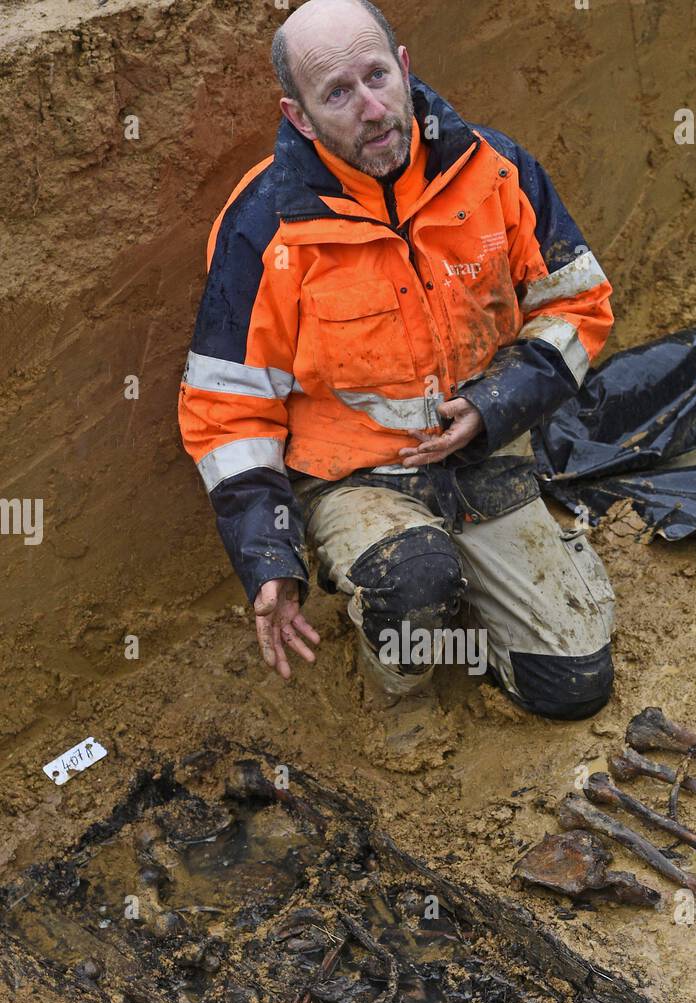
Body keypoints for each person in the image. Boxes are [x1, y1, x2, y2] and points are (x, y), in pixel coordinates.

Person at [178, 0, 616, 721]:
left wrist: (492, 405)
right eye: (338, 94)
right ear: (300, 116)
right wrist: (269, 558)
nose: (373, 109)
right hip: (352, 479)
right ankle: (400, 699)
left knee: (571, 687)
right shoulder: (263, 228)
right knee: (412, 578)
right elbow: (227, 408)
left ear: (404, 67)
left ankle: (483, 588)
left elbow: (579, 304)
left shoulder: (494, 169)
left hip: (484, 452)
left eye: (377, 76)